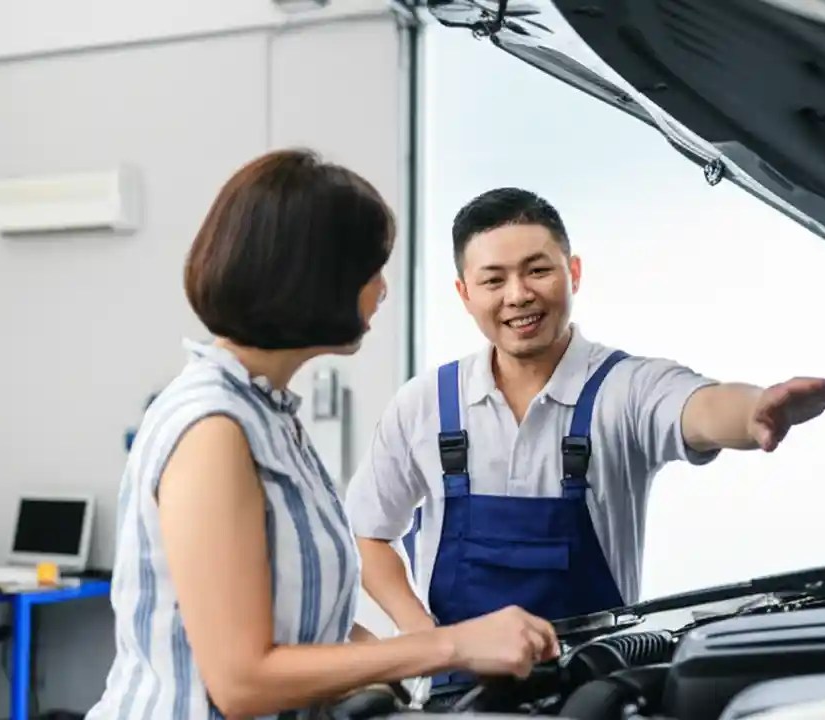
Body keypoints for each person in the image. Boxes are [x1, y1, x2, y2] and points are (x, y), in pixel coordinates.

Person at [86, 154, 560, 720]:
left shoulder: (268, 414)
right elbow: (242, 682)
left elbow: (306, 620)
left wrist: (403, 679)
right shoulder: (212, 428)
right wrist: (450, 646)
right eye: (370, 269)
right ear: (314, 278)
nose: (382, 290)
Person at [344, 187, 825, 673]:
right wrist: (428, 639)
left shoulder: (625, 388)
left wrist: (755, 410)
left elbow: (700, 405)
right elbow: (368, 532)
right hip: (456, 693)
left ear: (574, 272)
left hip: (596, 686)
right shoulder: (425, 404)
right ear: (464, 293)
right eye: (494, 280)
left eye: (538, 271)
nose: (518, 296)